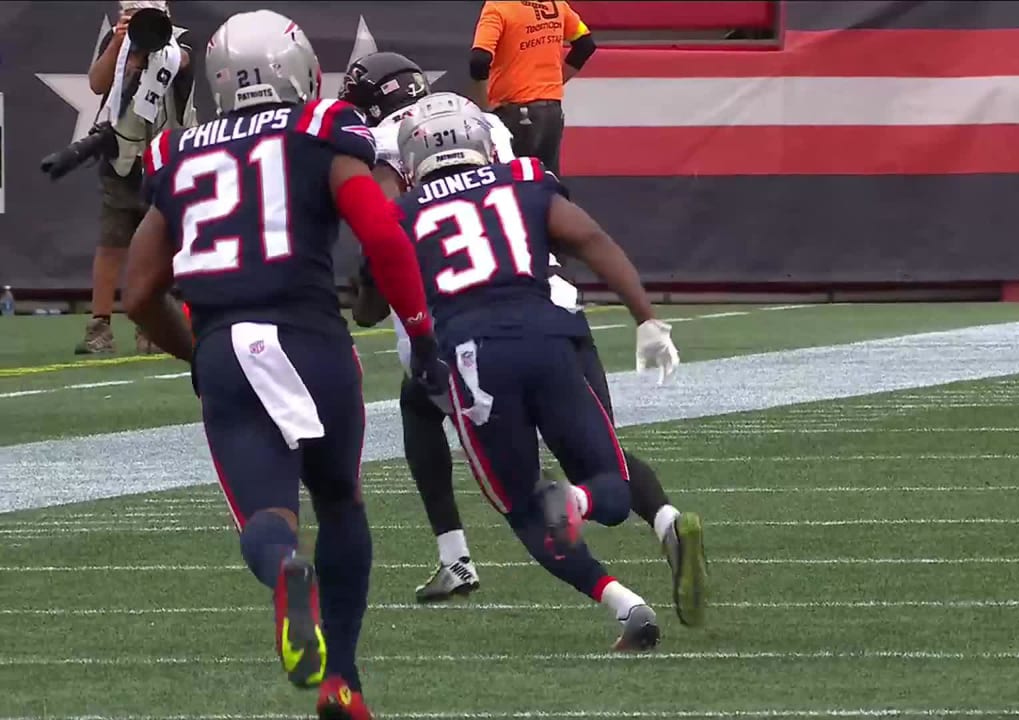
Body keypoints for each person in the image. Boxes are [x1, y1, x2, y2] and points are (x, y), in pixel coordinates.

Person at [121, 10, 446, 720]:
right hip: (312, 342)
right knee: (341, 502)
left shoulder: (176, 149)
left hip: (227, 348)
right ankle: (345, 682)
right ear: (295, 68)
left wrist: (195, 352)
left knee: (268, 518)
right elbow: (382, 235)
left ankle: (284, 574)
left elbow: (138, 292)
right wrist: (421, 336)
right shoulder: (321, 128)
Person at [344, 57, 708, 629]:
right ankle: (644, 515)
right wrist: (646, 319)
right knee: (602, 477)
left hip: (468, 356)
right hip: (551, 326)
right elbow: (589, 235)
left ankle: (618, 603)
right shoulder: (522, 171)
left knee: (523, 504)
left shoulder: (400, 204)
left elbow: (368, 302)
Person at [80, 0, 196, 355]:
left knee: (162, 246)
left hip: (164, 160)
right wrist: (120, 45)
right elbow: (98, 84)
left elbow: (182, 68)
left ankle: (153, 323)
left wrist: (153, 49)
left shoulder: (180, 48)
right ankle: (99, 325)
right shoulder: (117, 46)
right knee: (111, 243)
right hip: (122, 156)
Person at [468, 0, 597, 174]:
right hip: (551, 113)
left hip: (511, 113)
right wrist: (554, 83)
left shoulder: (498, 7)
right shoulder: (557, 4)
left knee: (512, 186)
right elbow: (585, 44)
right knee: (548, 187)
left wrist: (484, 110)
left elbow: (479, 60)